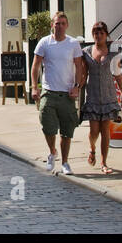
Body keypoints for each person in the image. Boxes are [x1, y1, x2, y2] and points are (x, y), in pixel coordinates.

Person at [30, 11, 85, 175]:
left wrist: (76, 86)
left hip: (67, 94)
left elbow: (79, 67)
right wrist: (34, 86)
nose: (59, 26)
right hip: (49, 91)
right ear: (52, 25)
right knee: (48, 127)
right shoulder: (44, 43)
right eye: (56, 23)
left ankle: (65, 162)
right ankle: (52, 152)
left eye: (62, 23)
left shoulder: (73, 44)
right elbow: (35, 66)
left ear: (67, 25)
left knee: (67, 131)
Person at [81, 21, 120, 174]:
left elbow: (117, 74)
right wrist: (77, 88)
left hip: (108, 95)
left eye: (101, 33)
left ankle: (104, 163)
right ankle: (92, 149)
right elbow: (83, 74)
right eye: (96, 33)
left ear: (106, 35)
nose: (98, 36)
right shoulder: (86, 52)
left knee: (105, 130)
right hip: (93, 96)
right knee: (94, 131)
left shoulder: (112, 54)